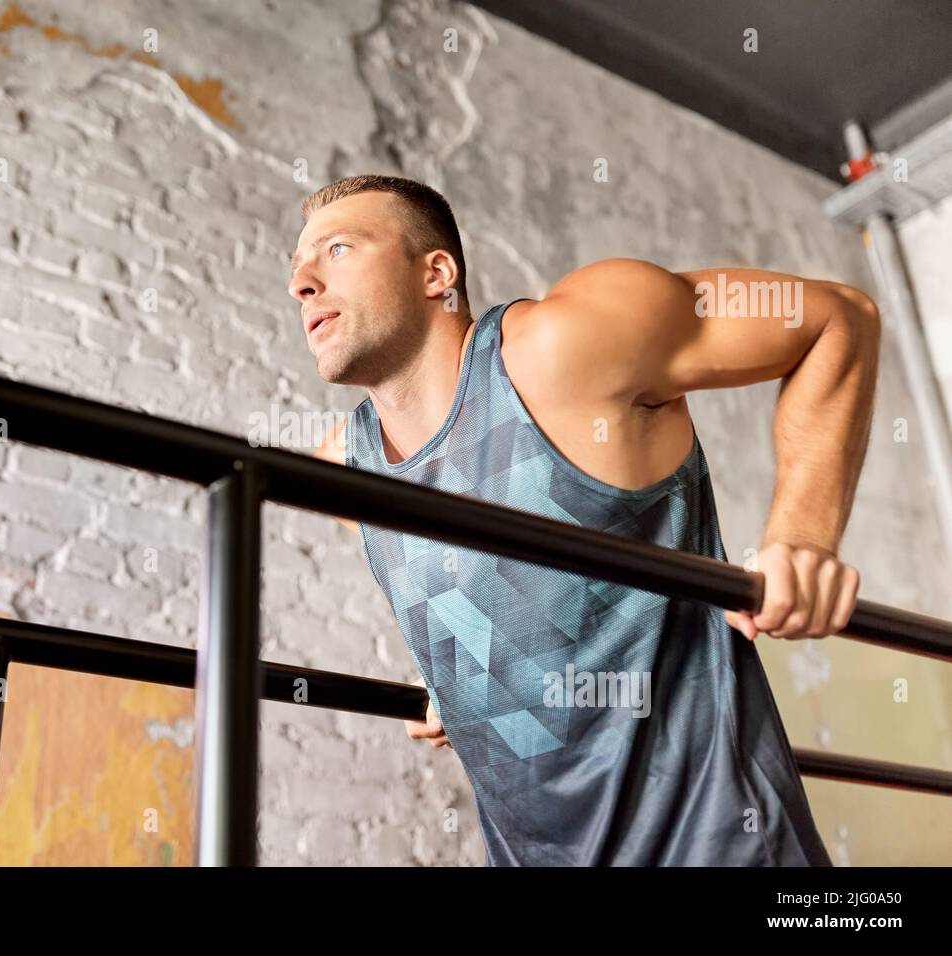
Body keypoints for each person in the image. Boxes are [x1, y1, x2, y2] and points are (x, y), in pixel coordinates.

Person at [292, 174, 880, 866]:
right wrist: (460, 683)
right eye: (296, 267)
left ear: (436, 272)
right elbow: (482, 599)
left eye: (337, 250)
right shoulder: (346, 473)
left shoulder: (563, 345)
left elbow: (838, 317)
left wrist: (801, 539)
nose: (302, 282)